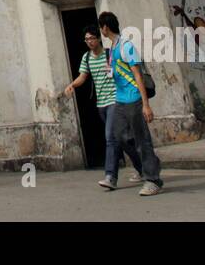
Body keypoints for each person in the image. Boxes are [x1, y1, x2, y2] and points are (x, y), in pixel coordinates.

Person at [61, 24, 142, 190]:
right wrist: (72, 85)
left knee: (110, 137)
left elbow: (121, 72)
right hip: (101, 105)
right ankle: (144, 167)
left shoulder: (109, 54)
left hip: (115, 101)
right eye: (86, 39)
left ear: (98, 38)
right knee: (123, 139)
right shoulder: (87, 58)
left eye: (92, 38)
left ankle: (110, 176)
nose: (89, 42)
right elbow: (83, 76)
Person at [98, 11, 163, 196]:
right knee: (119, 136)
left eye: (101, 27)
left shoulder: (126, 46)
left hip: (134, 98)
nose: (101, 30)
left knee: (142, 140)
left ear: (105, 27)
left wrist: (145, 104)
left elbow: (137, 74)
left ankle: (153, 180)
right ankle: (148, 165)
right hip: (119, 100)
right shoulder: (112, 48)